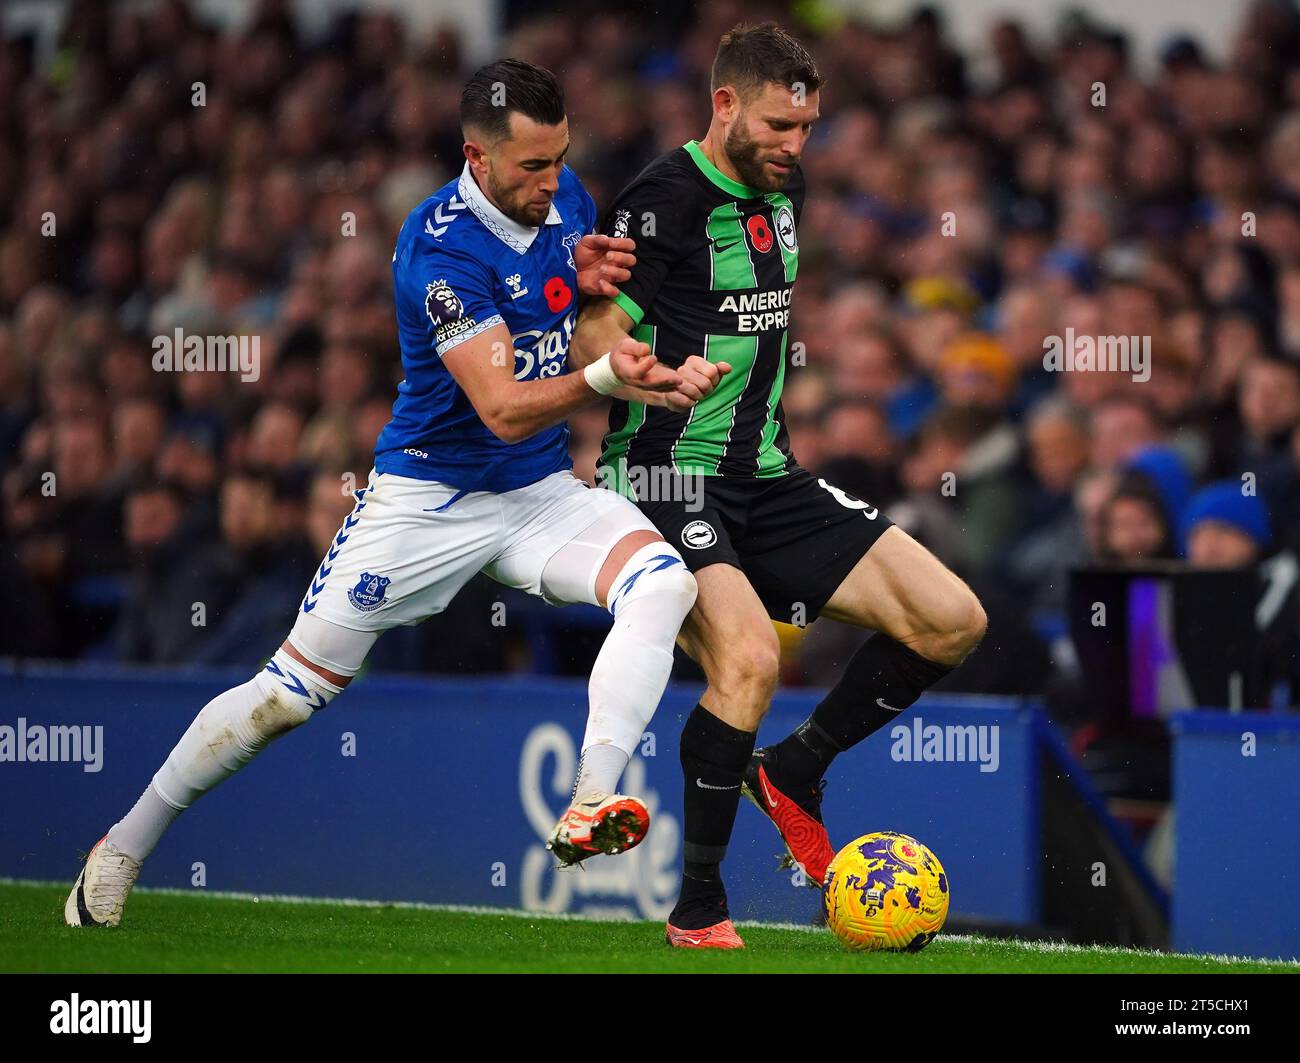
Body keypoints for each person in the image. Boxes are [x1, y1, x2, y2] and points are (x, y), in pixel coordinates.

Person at [66, 58, 727, 928]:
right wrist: (608, 375)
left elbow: (570, 310)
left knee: (664, 583)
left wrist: (636, 362)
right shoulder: (437, 248)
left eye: (561, 158)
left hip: (535, 493)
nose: (554, 181)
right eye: (532, 165)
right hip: (426, 500)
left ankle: (589, 802)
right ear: (476, 158)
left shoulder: (565, 204)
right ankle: (118, 849)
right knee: (285, 698)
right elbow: (499, 408)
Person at [571, 23, 986, 948]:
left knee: (952, 618)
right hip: (666, 472)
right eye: (778, 126)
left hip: (765, 471)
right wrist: (645, 368)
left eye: (807, 128)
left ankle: (792, 768)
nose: (796, 147)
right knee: (751, 660)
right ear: (725, 105)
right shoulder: (664, 197)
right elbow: (595, 332)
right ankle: (700, 906)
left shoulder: (780, 182)